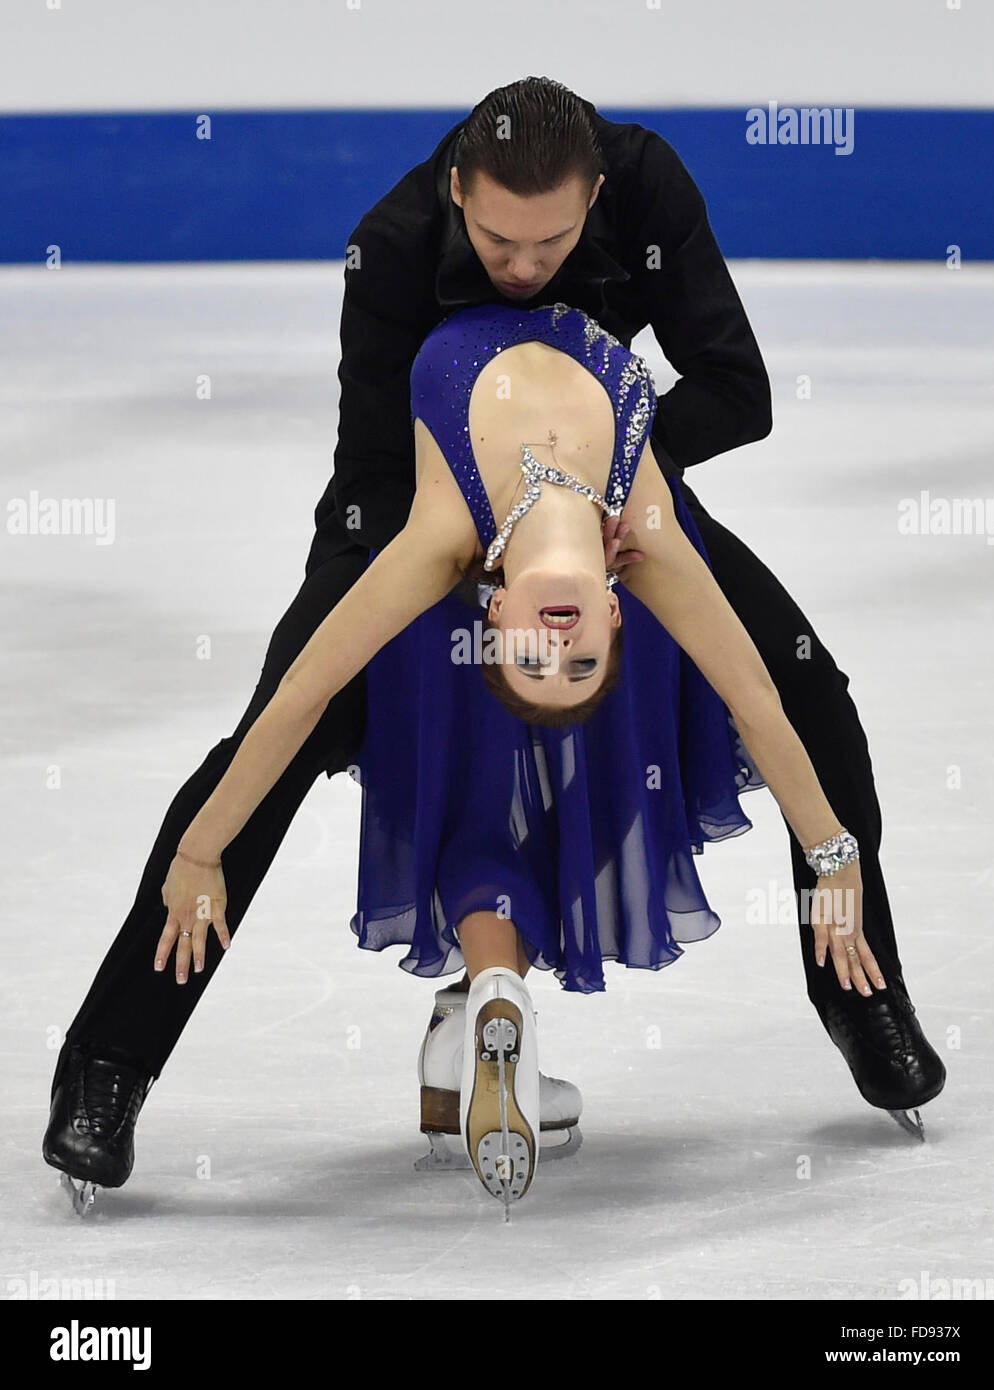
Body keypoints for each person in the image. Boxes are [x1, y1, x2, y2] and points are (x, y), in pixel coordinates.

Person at [44, 76, 943, 1209]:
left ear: (596, 199)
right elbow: (371, 456)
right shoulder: (391, 244)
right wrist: (479, 534)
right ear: (457, 189)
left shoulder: (647, 185)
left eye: (553, 242)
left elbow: (737, 389)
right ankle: (109, 1066)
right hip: (411, 514)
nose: (525, 264)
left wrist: (594, 467)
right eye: (499, 240)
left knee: (805, 693)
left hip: (620, 509)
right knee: (282, 723)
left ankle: (860, 991)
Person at [157, 295, 884, 1210]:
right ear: (617, 614)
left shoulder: (436, 544)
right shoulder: (646, 539)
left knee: (502, 804)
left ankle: (493, 988)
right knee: (594, 795)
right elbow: (754, 697)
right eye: (580, 661)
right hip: (558, 253)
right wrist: (832, 851)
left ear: (494, 613)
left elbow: (299, 696)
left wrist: (199, 848)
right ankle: (487, 1002)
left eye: (537, 660)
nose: (559, 643)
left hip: (440, 576)